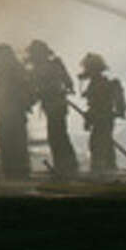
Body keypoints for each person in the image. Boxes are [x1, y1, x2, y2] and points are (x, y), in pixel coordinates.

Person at [25, 39, 78, 178]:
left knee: (58, 135)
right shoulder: (39, 69)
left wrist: (53, 90)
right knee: (57, 135)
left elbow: (68, 83)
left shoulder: (53, 65)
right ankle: (65, 166)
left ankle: (67, 166)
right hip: (52, 105)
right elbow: (33, 90)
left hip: (57, 104)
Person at [78, 52, 126, 176]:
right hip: (101, 119)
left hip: (104, 119)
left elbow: (99, 105)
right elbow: (92, 105)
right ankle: (110, 169)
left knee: (97, 145)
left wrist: (90, 118)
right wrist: (88, 119)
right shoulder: (96, 83)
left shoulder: (103, 84)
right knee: (105, 144)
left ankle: (100, 171)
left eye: (88, 68)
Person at [0, 43, 32, 179]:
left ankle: (18, 170)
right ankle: (12, 170)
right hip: (8, 112)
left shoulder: (16, 72)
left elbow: (22, 92)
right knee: (8, 140)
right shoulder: (11, 71)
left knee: (14, 141)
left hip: (14, 113)